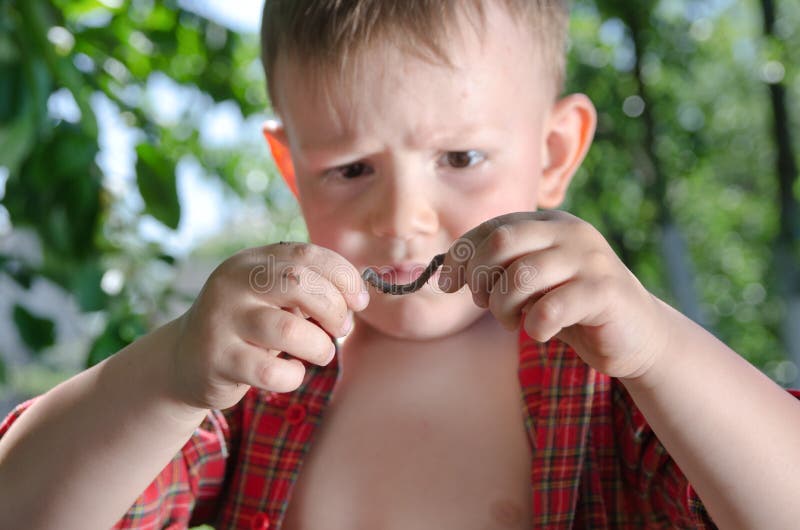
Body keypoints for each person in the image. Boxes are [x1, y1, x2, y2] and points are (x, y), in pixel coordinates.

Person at [2, 1, 800, 528]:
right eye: (350, 170)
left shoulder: (608, 386)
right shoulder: (262, 379)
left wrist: (659, 349)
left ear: (554, 153)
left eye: (461, 156)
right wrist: (167, 372)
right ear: (292, 169)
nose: (402, 219)